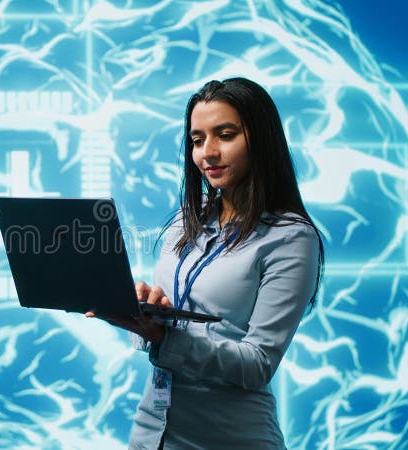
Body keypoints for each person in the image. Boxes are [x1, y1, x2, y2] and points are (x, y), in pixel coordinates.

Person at [88, 77, 325, 449]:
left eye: (225, 135)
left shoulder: (290, 237)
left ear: (261, 140)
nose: (207, 153)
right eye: (197, 140)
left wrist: (167, 336)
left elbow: (258, 364)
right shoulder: (187, 222)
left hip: (229, 437)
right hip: (152, 432)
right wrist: (144, 315)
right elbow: (151, 337)